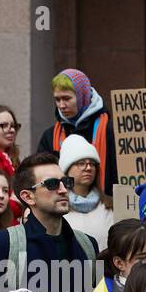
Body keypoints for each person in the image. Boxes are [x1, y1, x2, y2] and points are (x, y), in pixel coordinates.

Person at [0, 153, 100, 292]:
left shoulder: (88, 245)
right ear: (28, 197)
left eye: (66, 182)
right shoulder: (1, 245)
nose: (63, 190)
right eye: (52, 184)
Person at [37, 68, 117, 196]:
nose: (61, 105)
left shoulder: (111, 130)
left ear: (82, 97)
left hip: (107, 205)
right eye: (57, 99)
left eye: (67, 98)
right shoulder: (50, 136)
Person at [59, 134, 113, 251]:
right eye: (81, 163)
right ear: (67, 169)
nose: (88, 168)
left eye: (92, 163)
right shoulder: (58, 208)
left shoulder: (110, 206)